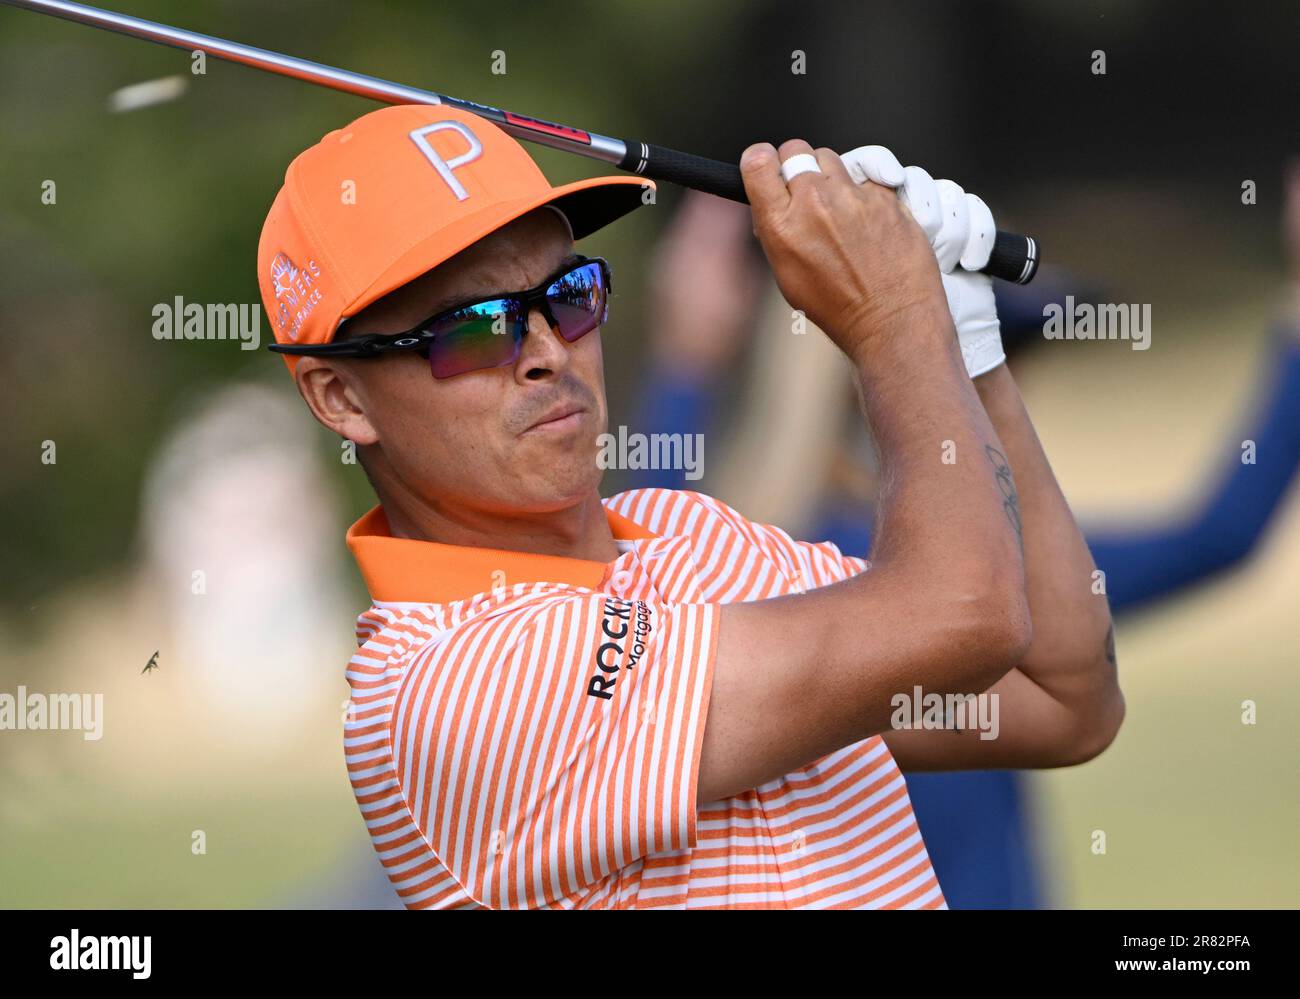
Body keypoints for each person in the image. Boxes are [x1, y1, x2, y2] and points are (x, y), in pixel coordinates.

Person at [256, 104, 1122, 909]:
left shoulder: (693, 534)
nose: (550, 352)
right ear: (342, 399)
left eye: (568, 296)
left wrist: (969, 347)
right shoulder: (439, 693)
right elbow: (963, 613)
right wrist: (895, 316)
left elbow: (1062, 693)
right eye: (475, 328)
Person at [633, 166, 1300, 907]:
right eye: (989, 357)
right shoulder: (971, 572)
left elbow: (651, 582)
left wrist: (685, 362)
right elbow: (1219, 537)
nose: (1014, 394)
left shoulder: (756, 566)